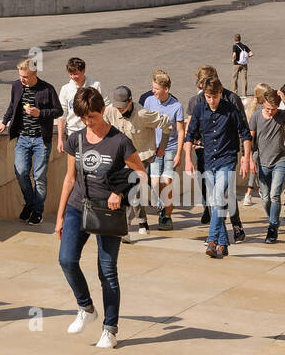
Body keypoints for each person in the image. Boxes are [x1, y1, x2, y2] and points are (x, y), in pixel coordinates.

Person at [55, 86, 147, 348]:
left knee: (106, 272)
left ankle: (110, 329)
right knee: (66, 260)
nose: (88, 123)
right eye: (83, 118)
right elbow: (69, 179)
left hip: (108, 211)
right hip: (77, 205)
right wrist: (60, 216)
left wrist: (119, 191)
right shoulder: (77, 139)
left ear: (103, 111)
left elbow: (141, 173)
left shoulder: (120, 141)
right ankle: (86, 308)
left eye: (92, 117)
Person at [184, 77, 252, 258]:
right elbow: (189, 135)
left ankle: (212, 239)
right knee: (216, 202)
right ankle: (223, 243)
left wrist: (246, 158)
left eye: (214, 97)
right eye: (208, 97)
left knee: (218, 196)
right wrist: (188, 160)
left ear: (221, 94)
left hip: (227, 159)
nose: (211, 101)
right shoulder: (199, 108)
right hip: (208, 160)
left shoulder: (231, 109)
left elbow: (245, 133)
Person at [0, 58, 63, 225]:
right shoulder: (17, 86)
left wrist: (40, 113)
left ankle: (37, 212)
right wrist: (4, 122)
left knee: (39, 177)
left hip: (41, 139)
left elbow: (58, 111)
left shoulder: (47, 89)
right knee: (21, 172)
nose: (22, 80)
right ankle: (31, 203)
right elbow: (12, 105)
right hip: (23, 138)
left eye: (25, 77)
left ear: (35, 74)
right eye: (20, 76)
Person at [103, 85, 168, 238]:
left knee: (129, 188)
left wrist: (162, 146)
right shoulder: (110, 110)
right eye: (117, 107)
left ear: (131, 101)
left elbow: (166, 123)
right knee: (130, 189)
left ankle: (124, 226)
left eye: (123, 107)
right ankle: (142, 221)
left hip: (142, 156)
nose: (120, 110)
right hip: (121, 156)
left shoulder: (143, 113)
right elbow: (102, 127)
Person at [141, 70, 185, 231]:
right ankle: (162, 204)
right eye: (152, 88)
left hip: (171, 148)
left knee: (166, 182)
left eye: (156, 88)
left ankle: (166, 217)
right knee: (154, 182)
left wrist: (179, 153)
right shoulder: (148, 102)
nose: (153, 91)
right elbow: (144, 125)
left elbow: (181, 131)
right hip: (154, 149)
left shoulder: (177, 106)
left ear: (165, 89)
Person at [249, 84, 285, 244]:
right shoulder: (256, 117)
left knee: (274, 195)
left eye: (273, 109)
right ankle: (273, 219)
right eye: (268, 109)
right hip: (262, 161)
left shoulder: (281, 115)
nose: (270, 112)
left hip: (280, 159)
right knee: (265, 198)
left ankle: (272, 227)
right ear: (263, 104)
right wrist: (249, 159)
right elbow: (249, 139)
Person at [55, 57, 102, 154]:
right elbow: (62, 115)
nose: (73, 77)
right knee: (74, 166)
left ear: (83, 71)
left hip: (93, 133)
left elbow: (104, 109)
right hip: (73, 134)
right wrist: (60, 139)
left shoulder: (96, 86)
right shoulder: (65, 89)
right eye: (71, 74)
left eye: (75, 73)